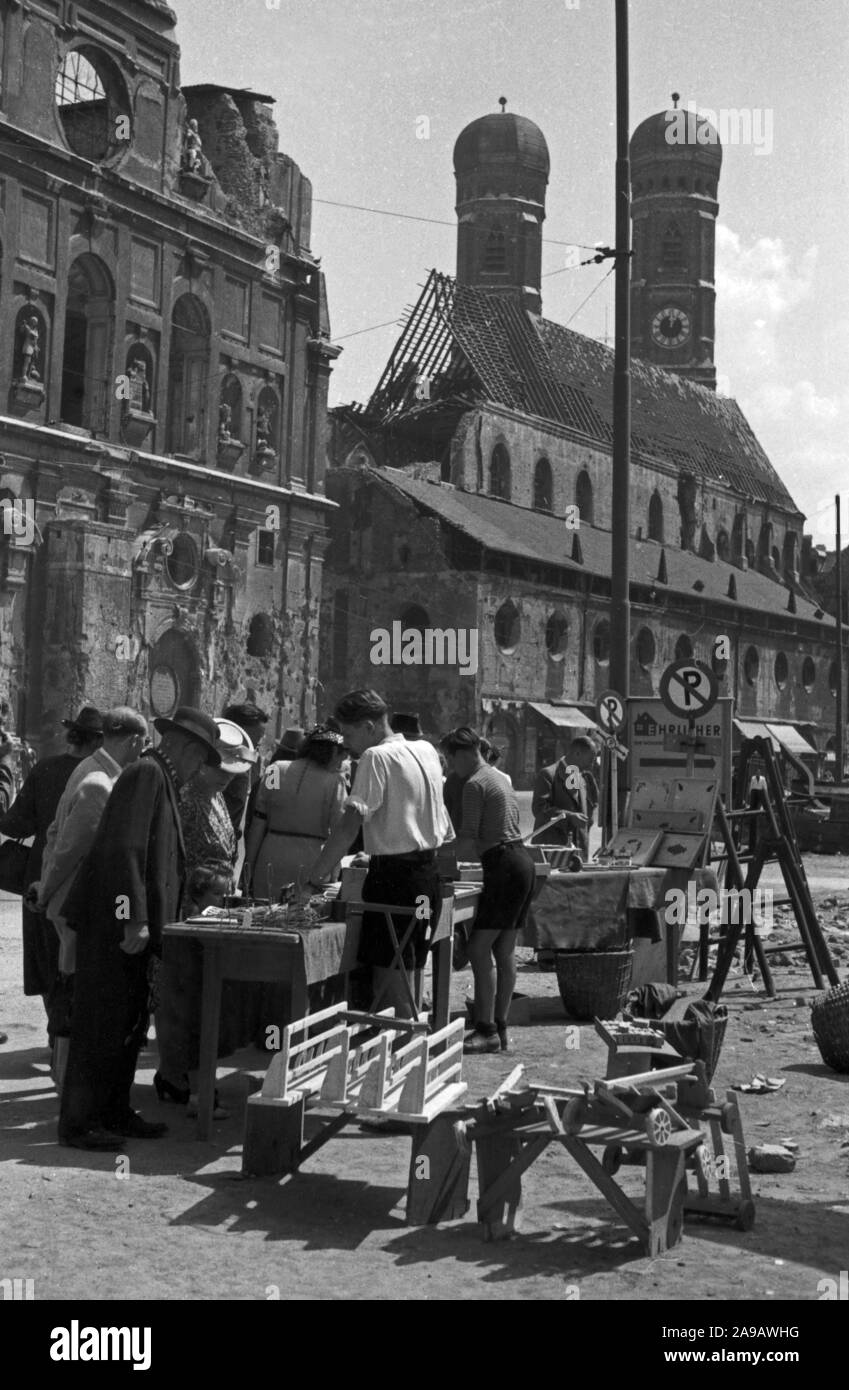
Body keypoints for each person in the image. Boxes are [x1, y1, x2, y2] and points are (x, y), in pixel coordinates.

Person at [58, 707, 221, 1151]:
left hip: (129, 928)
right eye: (200, 760)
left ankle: (113, 1110)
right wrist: (134, 917)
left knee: (127, 1022)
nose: (198, 771)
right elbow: (123, 850)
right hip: (116, 926)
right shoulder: (147, 774)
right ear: (186, 750)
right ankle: (80, 1122)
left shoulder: (156, 777)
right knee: (102, 1023)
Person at [304, 690, 454, 1020]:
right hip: (427, 877)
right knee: (412, 965)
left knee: (391, 976)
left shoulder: (376, 757)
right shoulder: (425, 748)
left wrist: (314, 879)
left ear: (370, 726)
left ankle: (403, 1054)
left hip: (395, 881)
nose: (346, 744)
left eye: (349, 734)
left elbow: (350, 823)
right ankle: (412, 1055)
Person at [33, 709, 149, 1087]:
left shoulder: (86, 770)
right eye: (143, 743)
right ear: (132, 740)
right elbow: (68, 847)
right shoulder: (100, 784)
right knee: (77, 996)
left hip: (70, 903)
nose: (143, 750)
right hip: (76, 907)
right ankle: (68, 1083)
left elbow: (53, 832)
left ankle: (66, 1078)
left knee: (73, 991)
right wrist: (48, 889)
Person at [154, 721, 255, 1118]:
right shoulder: (186, 797)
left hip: (211, 910)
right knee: (182, 999)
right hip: (189, 910)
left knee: (203, 998)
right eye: (223, 773)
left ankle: (185, 1076)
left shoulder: (214, 797)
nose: (230, 782)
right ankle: (180, 1077)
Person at [0, 706, 104, 1043]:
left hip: (41, 871)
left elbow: (15, 824)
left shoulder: (45, 769)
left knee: (47, 958)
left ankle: (55, 1030)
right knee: (77, 957)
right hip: (84, 875)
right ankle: (70, 1034)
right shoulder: (104, 775)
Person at [443, 727, 535, 1053]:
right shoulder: (499, 778)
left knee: (479, 949)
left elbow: (467, 842)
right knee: (504, 950)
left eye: (450, 760)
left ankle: (486, 1030)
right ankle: (501, 1026)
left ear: (463, 753)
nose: (451, 768)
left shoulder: (474, 784)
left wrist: (433, 853)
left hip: (504, 865)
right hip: (521, 863)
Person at [244, 725, 348, 901]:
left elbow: (258, 822)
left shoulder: (275, 769)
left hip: (269, 857)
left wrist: (248, 871)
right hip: (311, 861)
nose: (343, 760)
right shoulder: (336, 782)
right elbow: (339, 833)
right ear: (332, 752)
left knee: (264, 916)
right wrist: (334, 871)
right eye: (341, 754)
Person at [531, 736, 598, 856]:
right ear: (577, 753)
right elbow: (539, 809)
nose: (592, 765)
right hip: (552, 853)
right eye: (590, 760)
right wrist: (569, 817)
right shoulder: (548, 775)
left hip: (578, 855)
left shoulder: (585, 778)